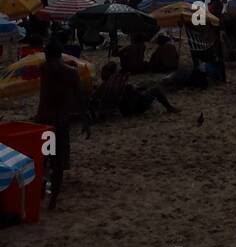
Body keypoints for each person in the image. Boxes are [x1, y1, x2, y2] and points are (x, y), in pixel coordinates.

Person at [35, 41, 84, 210]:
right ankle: (53, 200)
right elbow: (80, 98)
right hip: (60, 122)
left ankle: (41, 192)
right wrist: (86, 120)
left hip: (43, 121)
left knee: (44, 158)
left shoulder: (43, 68)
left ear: (47, 55)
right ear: (61, 55)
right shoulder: (71, 73)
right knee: (58, 163)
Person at [95, 62, 179, 117]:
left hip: (123, 110)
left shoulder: (102, 87)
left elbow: (95, 98)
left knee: (142, 87)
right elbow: (133, 92)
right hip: (135, 108)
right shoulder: (121, 85)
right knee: (155, 90)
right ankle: (169, 107)